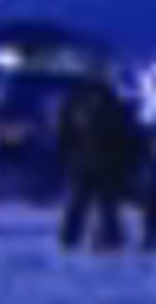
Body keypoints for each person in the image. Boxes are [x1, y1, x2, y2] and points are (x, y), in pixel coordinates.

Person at [57, 74, 140, 253]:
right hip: (104, 163)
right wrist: (127, 162)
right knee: (104, 204)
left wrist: (68, 156)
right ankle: (109, 236)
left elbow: (65, 136)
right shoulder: (114, 106)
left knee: (82, 203)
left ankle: (71, 236)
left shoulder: (77, 105)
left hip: (86, 163)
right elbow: (127, 137)